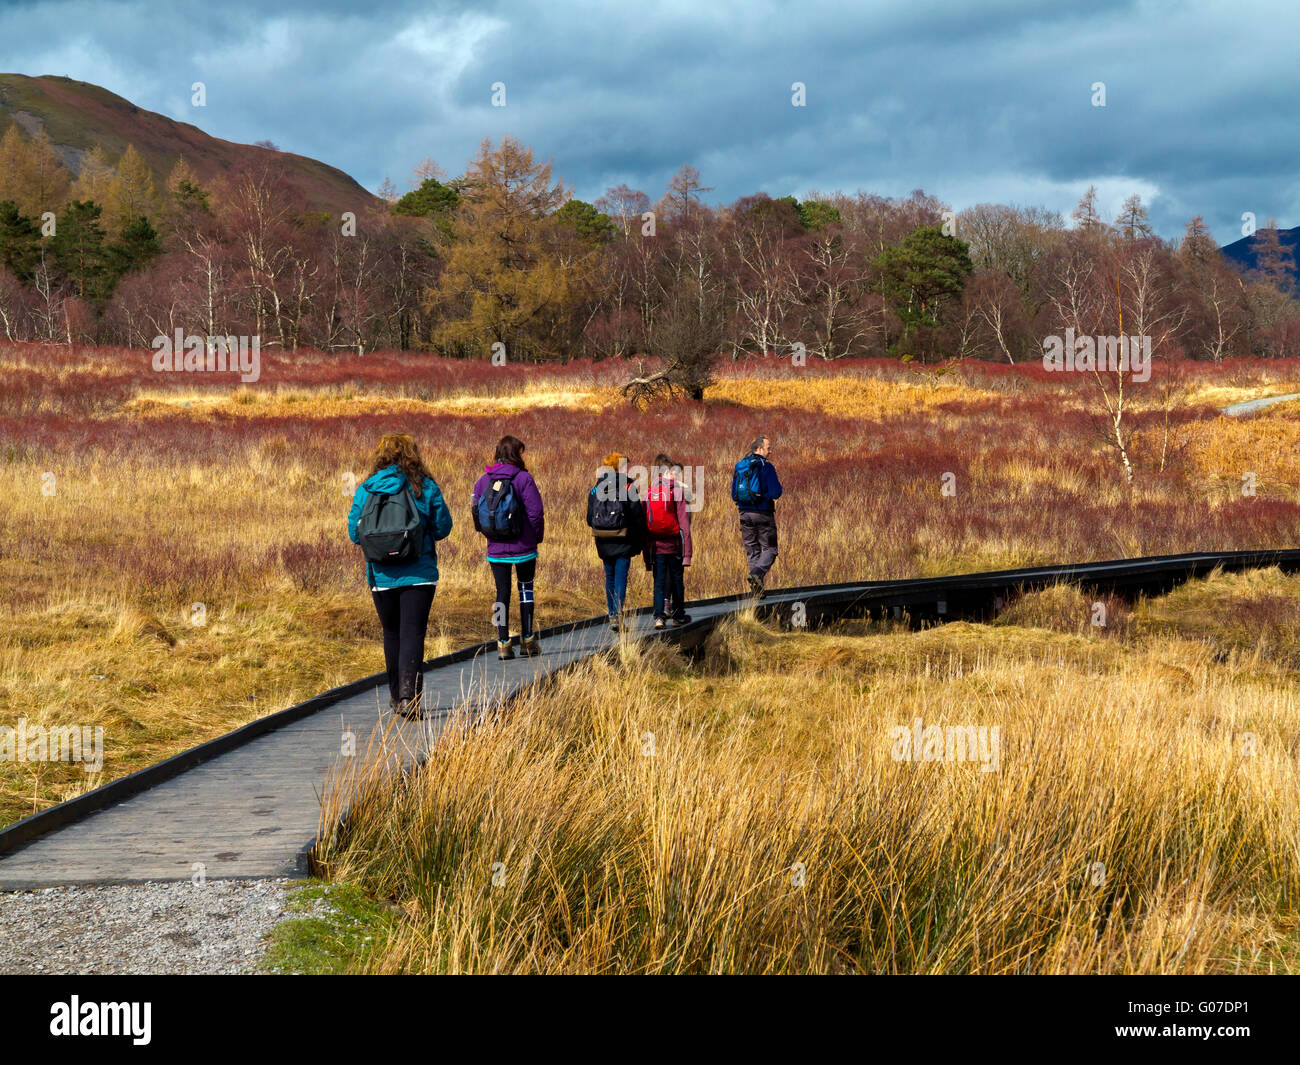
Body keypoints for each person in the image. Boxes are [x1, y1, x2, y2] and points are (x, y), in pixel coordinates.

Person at [347, 433, 453, 718]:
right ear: (413, 455)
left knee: (392, 633)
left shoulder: (365, 489)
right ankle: (410, 697)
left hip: (381, 577)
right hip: (419, 575)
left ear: (381, 456)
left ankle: (396, 696)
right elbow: (443, 528)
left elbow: (354, 534)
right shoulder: (425, 487)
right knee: (412, 633)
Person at [472, 435, 545, 660]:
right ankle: (527, 640)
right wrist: (536, 538)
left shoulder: (483, 481)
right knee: (525, 590)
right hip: (524, 547)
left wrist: (488, 535)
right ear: (517, 454)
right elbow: (536, 513)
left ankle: (503, 642)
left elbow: (476, 512)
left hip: (496, 548)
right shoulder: (524, 479)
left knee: (501, 593)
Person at [586, 452, 646, 631]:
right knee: (620, 576)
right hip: (623, 539)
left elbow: (590, 519)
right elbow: (637, 517)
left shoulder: (595, 489)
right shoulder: (628, 487)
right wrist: (639, 539)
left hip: (603, 541)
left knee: (609, 576)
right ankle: (619, 614)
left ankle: (612, 614)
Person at [642, 453, 693, 629]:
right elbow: (684, 525)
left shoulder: (648, 492)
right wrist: (687, 553)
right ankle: (678, 615)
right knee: (678, 581)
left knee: (658, 582)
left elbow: (645, 526)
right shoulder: (677, 491)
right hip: (674, 546)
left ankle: (658, 617)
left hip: (655, 547)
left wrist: (646, 555)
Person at [732, 435, 783, 594]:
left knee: (752, 550)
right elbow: (776, 492)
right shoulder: (766, 467)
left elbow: (734, 494)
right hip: (763, 514)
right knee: (770, 549)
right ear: (759, 449)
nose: (771, 451)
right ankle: (757, 574)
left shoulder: (740, 466)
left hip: (744, 514)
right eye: (768, 448)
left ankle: (756, 591)